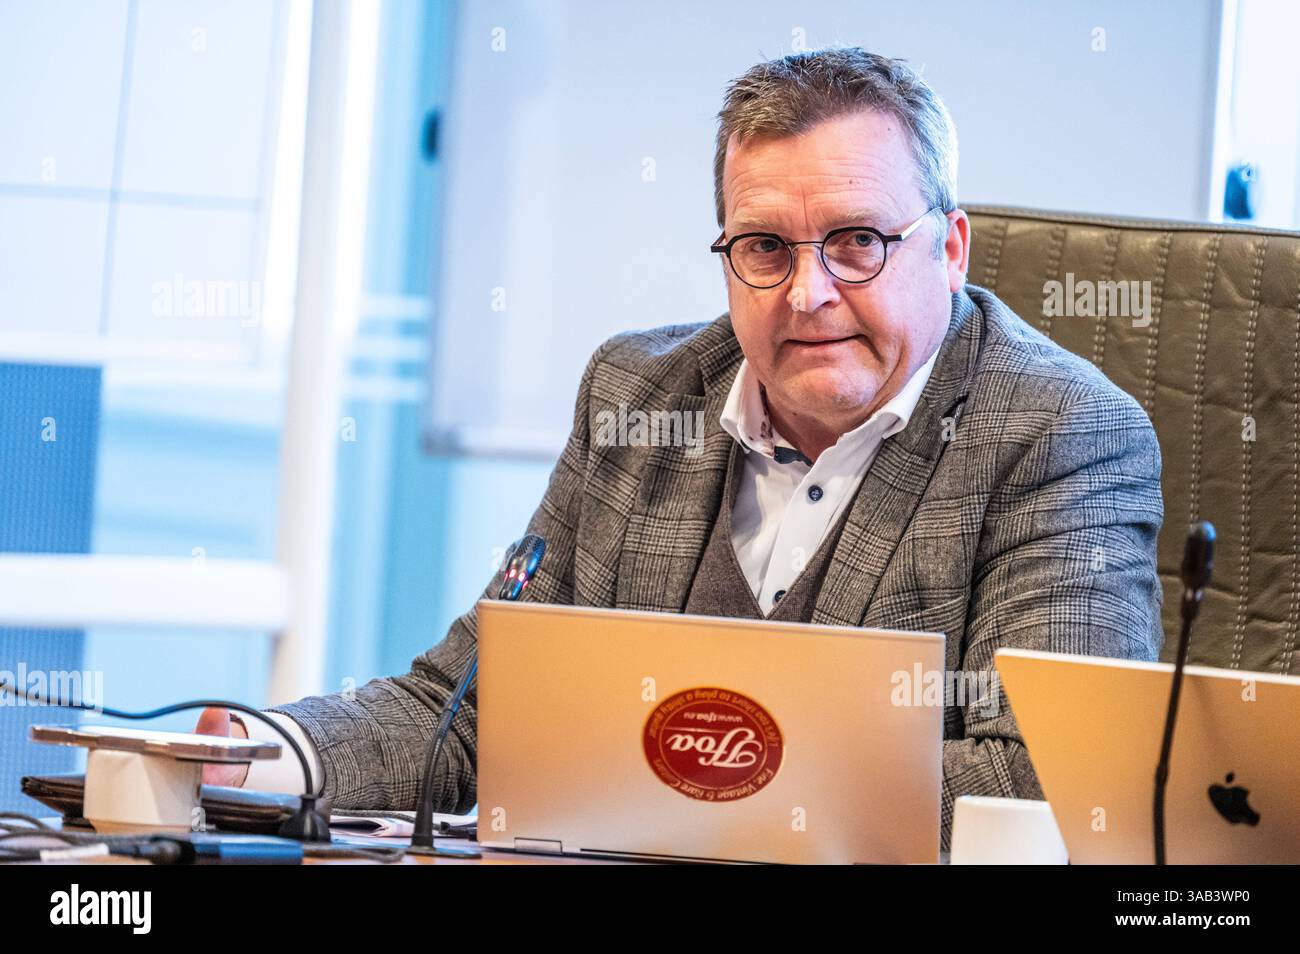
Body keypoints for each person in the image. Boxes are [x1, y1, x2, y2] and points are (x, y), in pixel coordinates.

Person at [197, 47, 1164, 851]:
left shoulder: (1057, 434)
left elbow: (1045, 785)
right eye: (766, 248)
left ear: (949, 249)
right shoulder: (638, 397)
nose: (809, 293)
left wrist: (667, 777)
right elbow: (474, 708)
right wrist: (274, 749)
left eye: (857, 241)